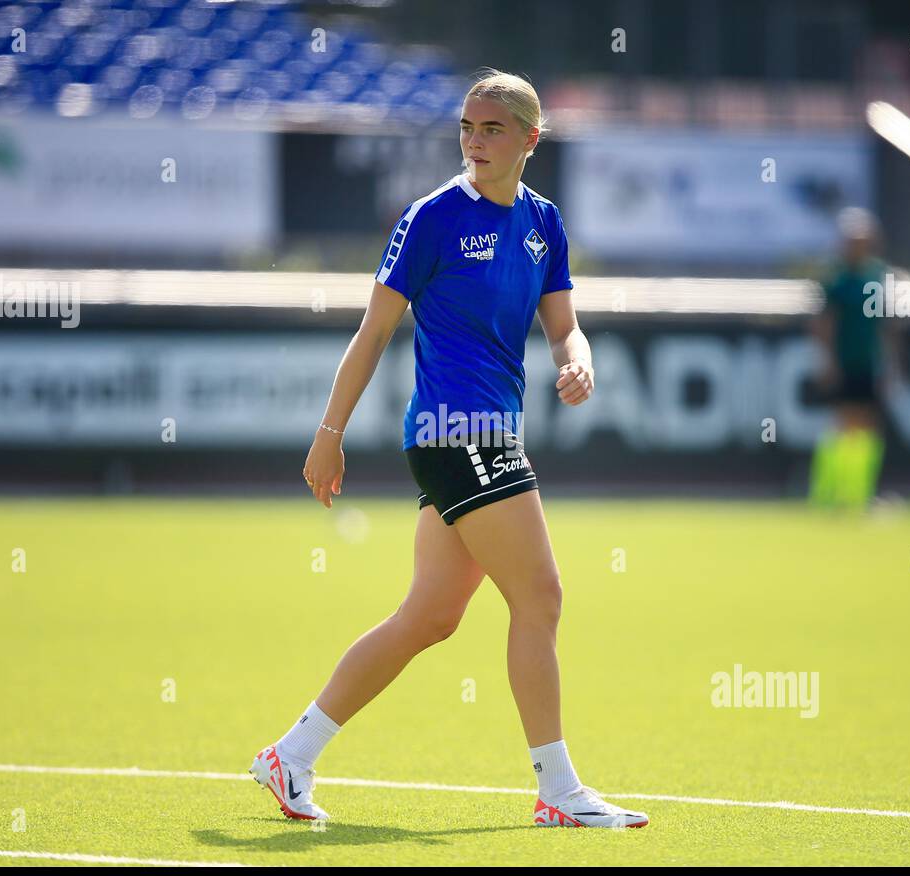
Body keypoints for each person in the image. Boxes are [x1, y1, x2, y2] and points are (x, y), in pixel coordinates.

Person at [248, 68, 648, 829]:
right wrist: (328, 435)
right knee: (543, 596)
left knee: (429, 617)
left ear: (532, 138)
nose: (475, 141)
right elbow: (373, 333)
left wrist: (577, 358)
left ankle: (290, 755)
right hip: (454, 433)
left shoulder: (544, 222)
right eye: (467, 127)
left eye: (492, 128)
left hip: (488, 435)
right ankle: (558, 790)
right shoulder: (431, 217)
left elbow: (563, 324)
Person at [808, 208, 891, 510]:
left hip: (868, 362)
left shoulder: (877, 275)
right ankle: (828, 491)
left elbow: (883, 324)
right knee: (843, 426)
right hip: (844, 361)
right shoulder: (836, 279)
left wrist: (889, 363)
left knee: (868, 427)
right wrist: (828, 360)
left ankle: (859, 493)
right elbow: (824, 323)